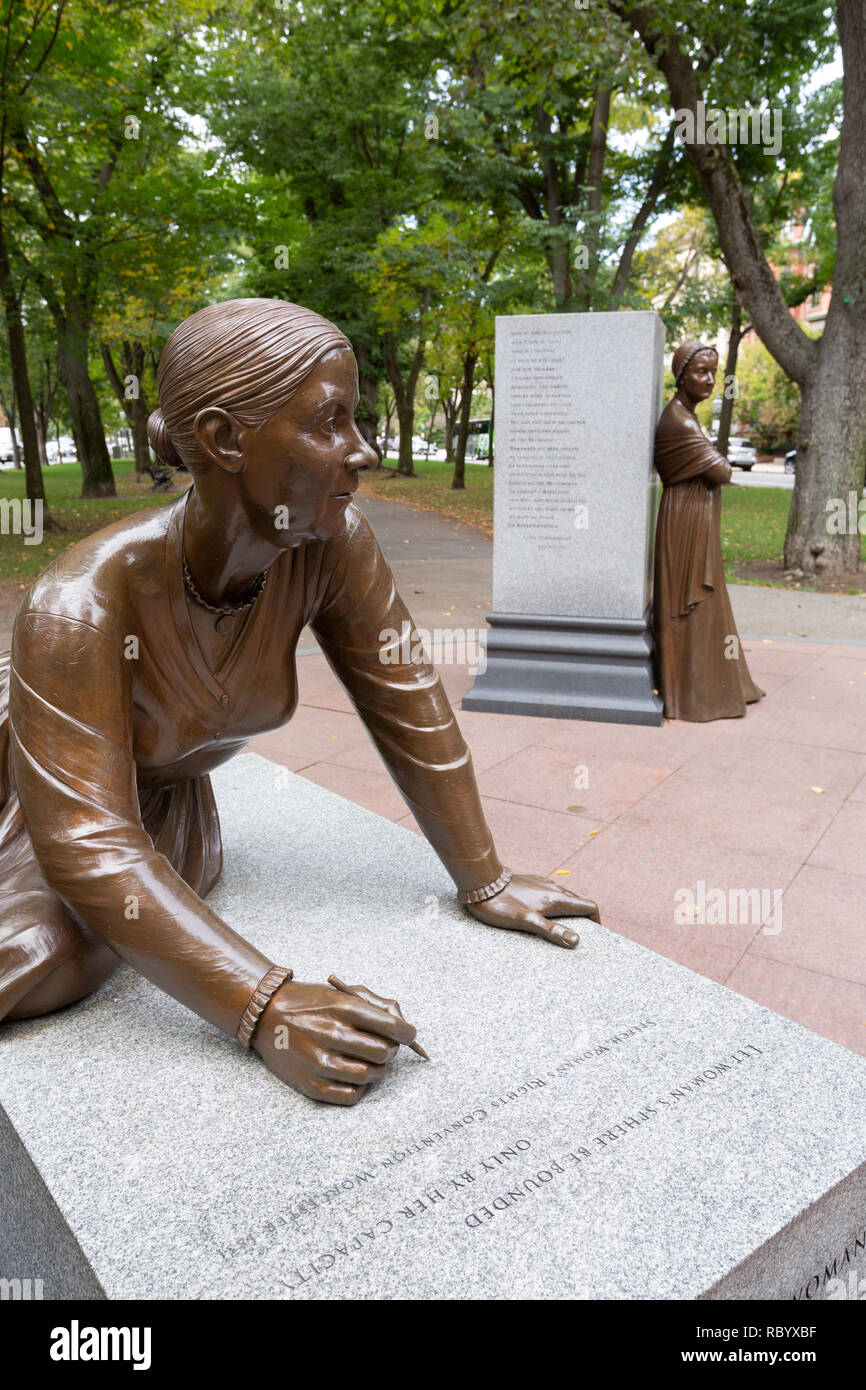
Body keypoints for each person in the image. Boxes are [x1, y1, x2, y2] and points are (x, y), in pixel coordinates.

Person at [0, 298, 599, 1106]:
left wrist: (484, 880)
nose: (364, 452)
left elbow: (408, 698)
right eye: (330, 422)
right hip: (36, 794)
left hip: (157, 808)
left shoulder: (329, 544)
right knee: (39, 956)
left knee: (115, 931)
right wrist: (268, 1007)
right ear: (224, 440)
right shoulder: (81, 602)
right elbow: (85, 839)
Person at [653, 341, 764, 722]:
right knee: (692, 605)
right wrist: (714, 463)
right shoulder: (680, 420)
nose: (711, 380)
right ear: (682, 377)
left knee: (708, 606)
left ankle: (712, 689)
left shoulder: (688, 414)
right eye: (702, 372)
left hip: (693, 514)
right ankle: (691, 697)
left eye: (714, 373)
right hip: (684, 519)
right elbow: (722, 472)